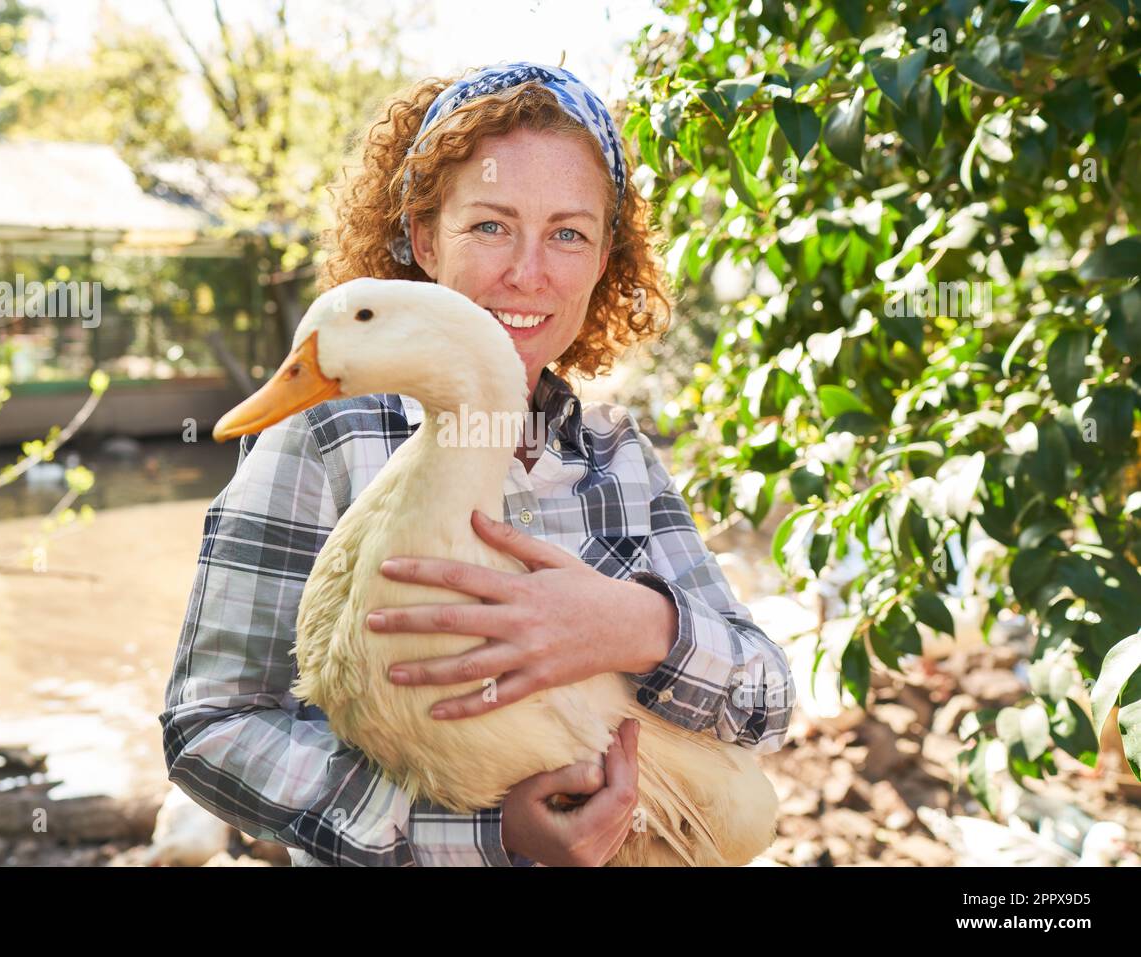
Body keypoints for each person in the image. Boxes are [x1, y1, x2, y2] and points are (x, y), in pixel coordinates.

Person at [160, 61, 795, 867]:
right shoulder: (327, 436)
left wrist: (638, 626)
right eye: (491, 225)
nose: (528, 272)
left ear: (604, 261)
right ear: (424, 240)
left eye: (569, 233)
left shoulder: (618, 458)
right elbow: (208, 726)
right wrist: (479, 838)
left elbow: (767, 704)